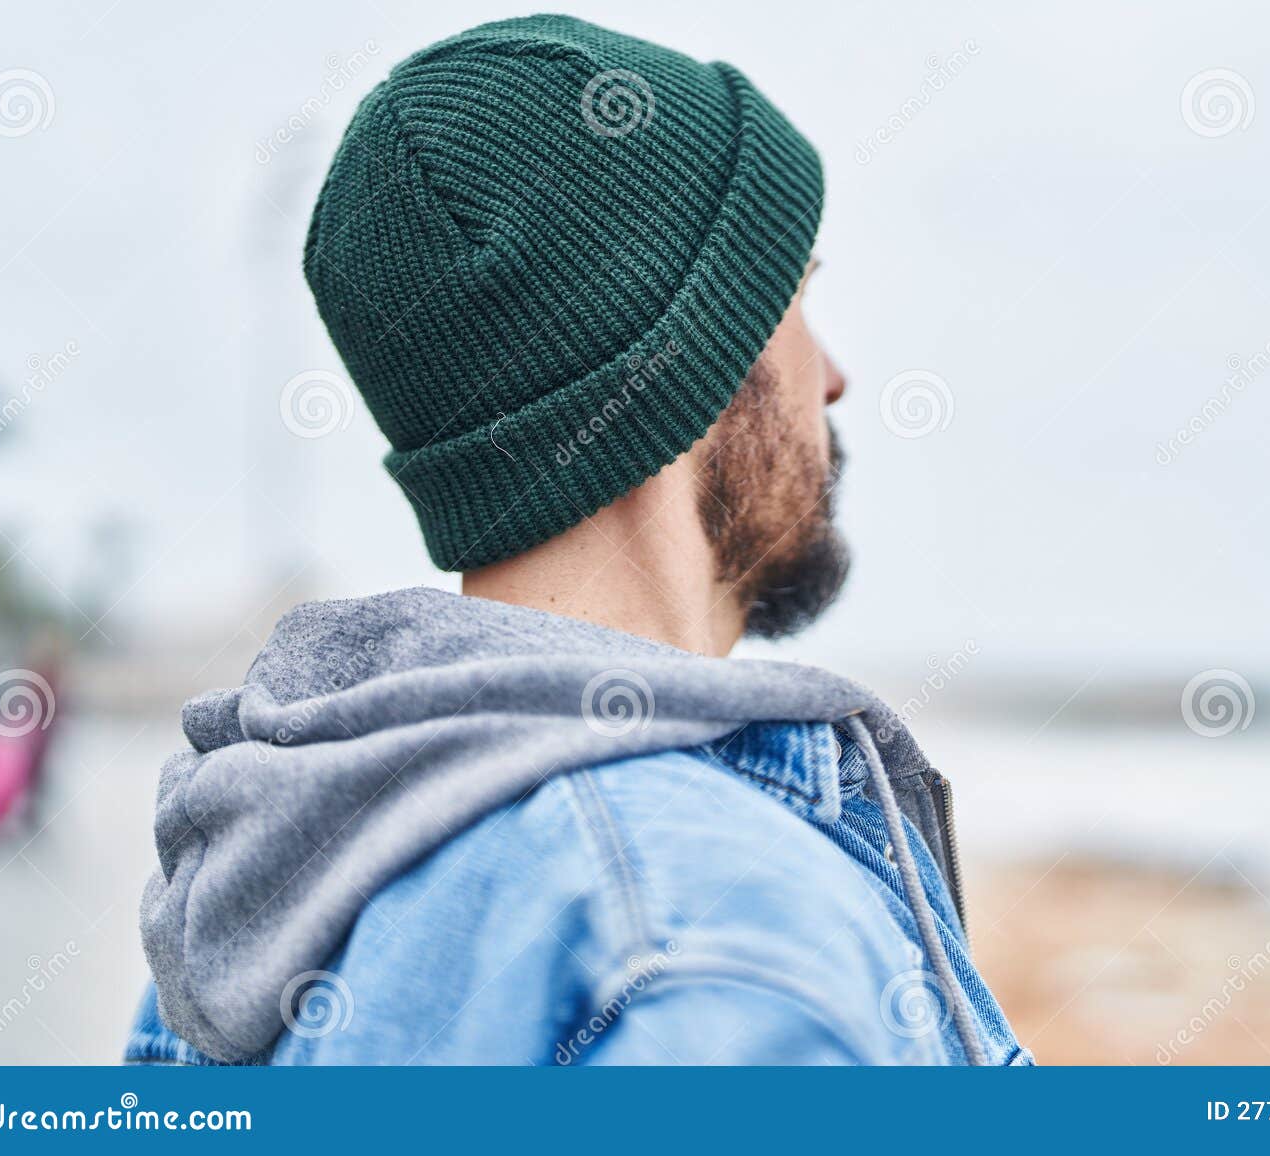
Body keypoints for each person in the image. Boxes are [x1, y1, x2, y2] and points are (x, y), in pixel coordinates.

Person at [127, 14, 1029, 1066]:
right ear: (686, 372)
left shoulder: (266, 894)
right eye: (796, 299)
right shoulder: (719, 939)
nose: (831, 376)